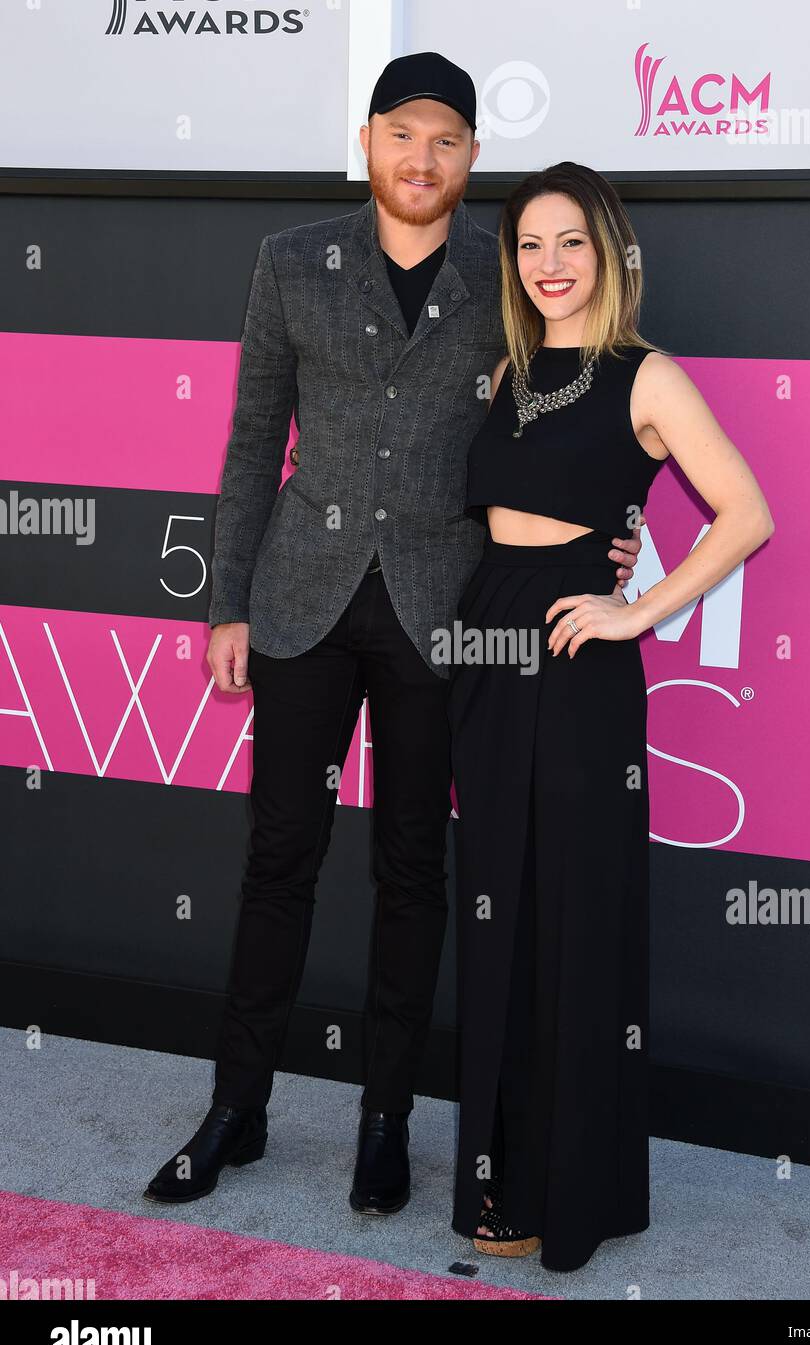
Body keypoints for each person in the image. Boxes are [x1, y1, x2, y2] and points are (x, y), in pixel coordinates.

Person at [143, 57, 643, 1211]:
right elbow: (251, 435)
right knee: (279, 859)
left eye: (449, 141)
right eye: (403, 135)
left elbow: (586, 413)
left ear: (474, 159)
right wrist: (226, 600)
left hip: (445, 612)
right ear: (369, 140)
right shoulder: (289, 263)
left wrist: (616, 540)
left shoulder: (511, 274)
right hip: (301, 601)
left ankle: (386, 1118)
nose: (423, 159)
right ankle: (237, 1107)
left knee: (417, 870)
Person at [448, 162, 775, 1271]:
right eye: (530, 245)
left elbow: (747, 514)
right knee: (499, 911)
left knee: (568, 916)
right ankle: (502, 1168)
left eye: (571, 243)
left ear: (611, 254)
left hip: (578, 660)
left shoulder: (646, 376)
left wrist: (639, 609)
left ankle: (568, 1191)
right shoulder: (504, 375)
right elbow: (499, 515)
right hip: (489, 650)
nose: (549, 265)